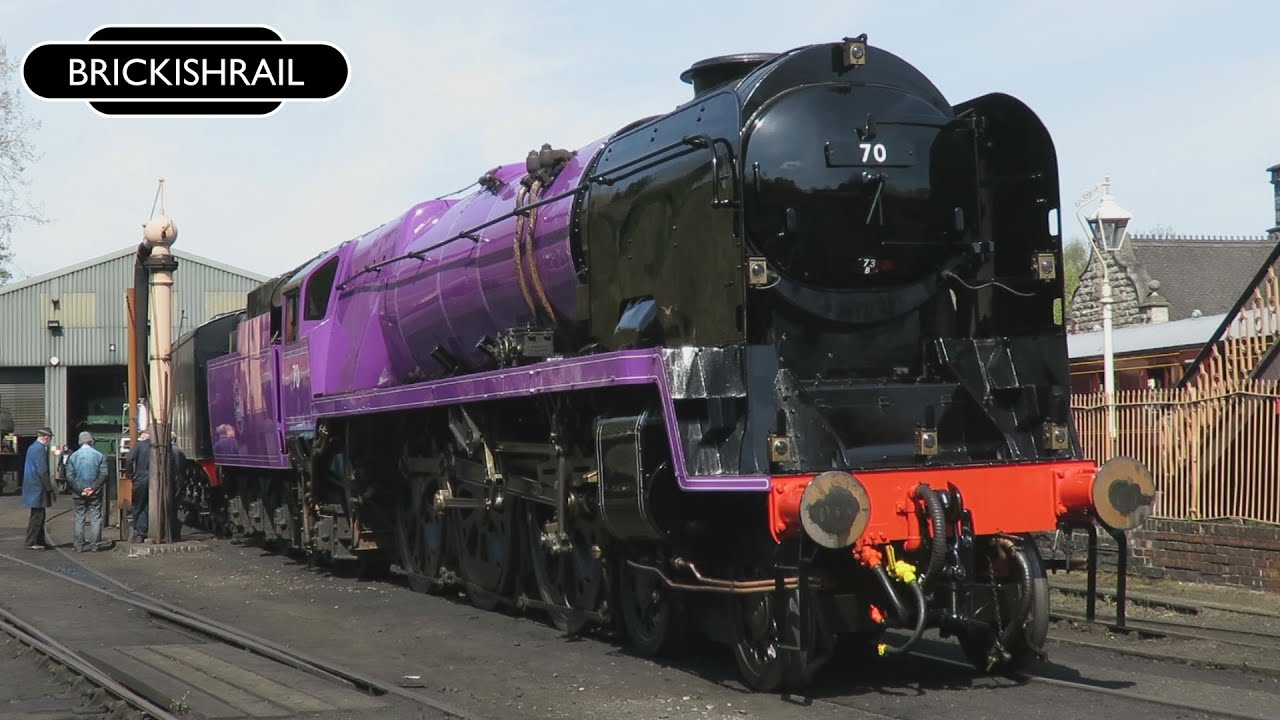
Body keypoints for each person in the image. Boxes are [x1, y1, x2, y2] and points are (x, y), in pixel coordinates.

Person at [66, 431, 109, 551]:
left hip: (78, 493)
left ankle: (79, 545)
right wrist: (93, 488)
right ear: (91, 441)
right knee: (95, 517)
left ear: (80, 442)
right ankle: (95, 545)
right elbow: (104, 474)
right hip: (95, 493)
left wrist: (80, 489)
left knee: (79, 518)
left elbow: (69, 476)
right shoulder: (99, 455)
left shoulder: (73, 456)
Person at [21, 427, 56, 549]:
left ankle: (40, 541)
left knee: (38, 514)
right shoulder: (39, 449)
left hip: (31, 486)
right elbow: (42, 470)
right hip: (37, 487)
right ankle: (31, 542)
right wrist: (49, 488)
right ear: (46, 437)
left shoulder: (32, 447)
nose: (50, 441)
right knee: (37, 516)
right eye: (50, 438)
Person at [126, 431, 151, 542]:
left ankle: (139, 533)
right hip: (155, 480)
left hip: (140, 479)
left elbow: (129, 459)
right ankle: (145, 530)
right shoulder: (157, 447)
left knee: (138, 506)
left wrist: (130, 474)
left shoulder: (139, 446)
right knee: (147, 506)